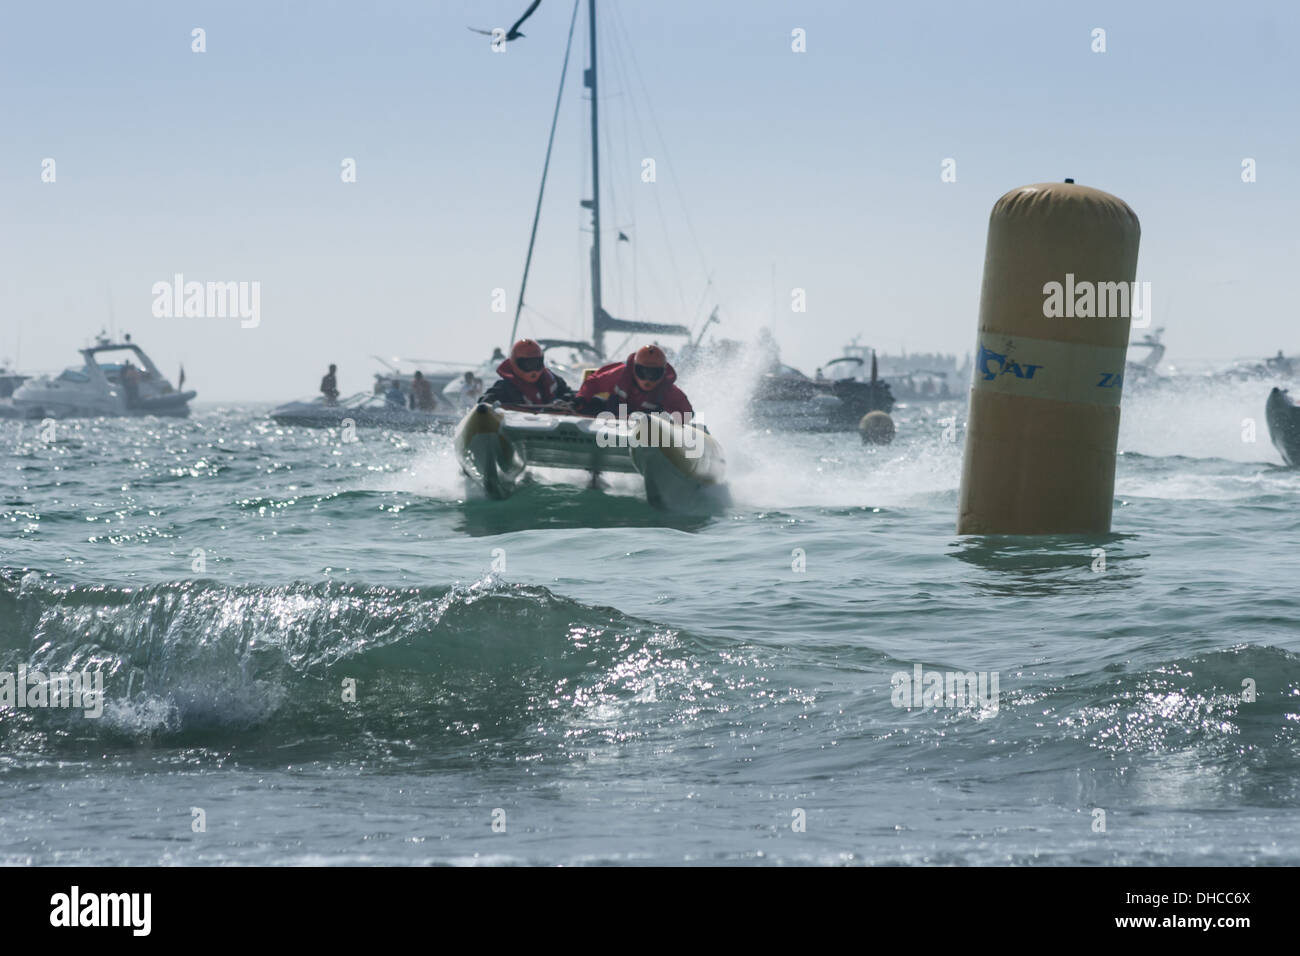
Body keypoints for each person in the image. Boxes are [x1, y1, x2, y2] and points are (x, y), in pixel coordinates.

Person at [573, 344, 692, 417]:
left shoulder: (667, 390)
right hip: (613, 417)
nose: (647, 379)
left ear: (662, 373)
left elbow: (687, 413)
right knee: (591, 404)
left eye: (654, 374)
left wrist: (675, 427)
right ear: (635, 369)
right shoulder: (619, 375)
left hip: (647, 428)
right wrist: (581, 399)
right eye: (643, 372)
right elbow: (593, 383)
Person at [482, 339, 573, 406]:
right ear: (515, 363)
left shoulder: (555, 381)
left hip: (552, 426)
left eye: (536, 363)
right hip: (518, 428)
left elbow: (570, 395)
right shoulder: (504, 387)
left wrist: (565, 401)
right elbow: (486, 402)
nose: (533, 370)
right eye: (528, 365)